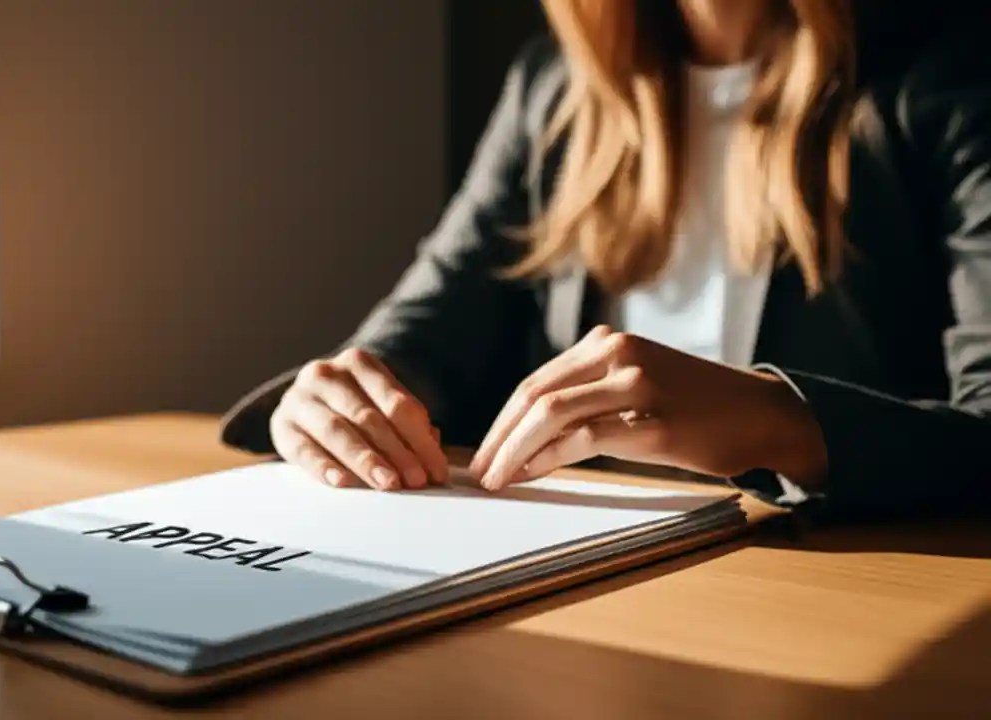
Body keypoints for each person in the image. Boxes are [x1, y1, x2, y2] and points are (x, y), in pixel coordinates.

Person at [221, 0, 991, 517]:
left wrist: (777, 424)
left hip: (828, 592)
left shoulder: (951, 76)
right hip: (595, 570)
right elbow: (433, 325)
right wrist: (347, 399)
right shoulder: (554, 86)